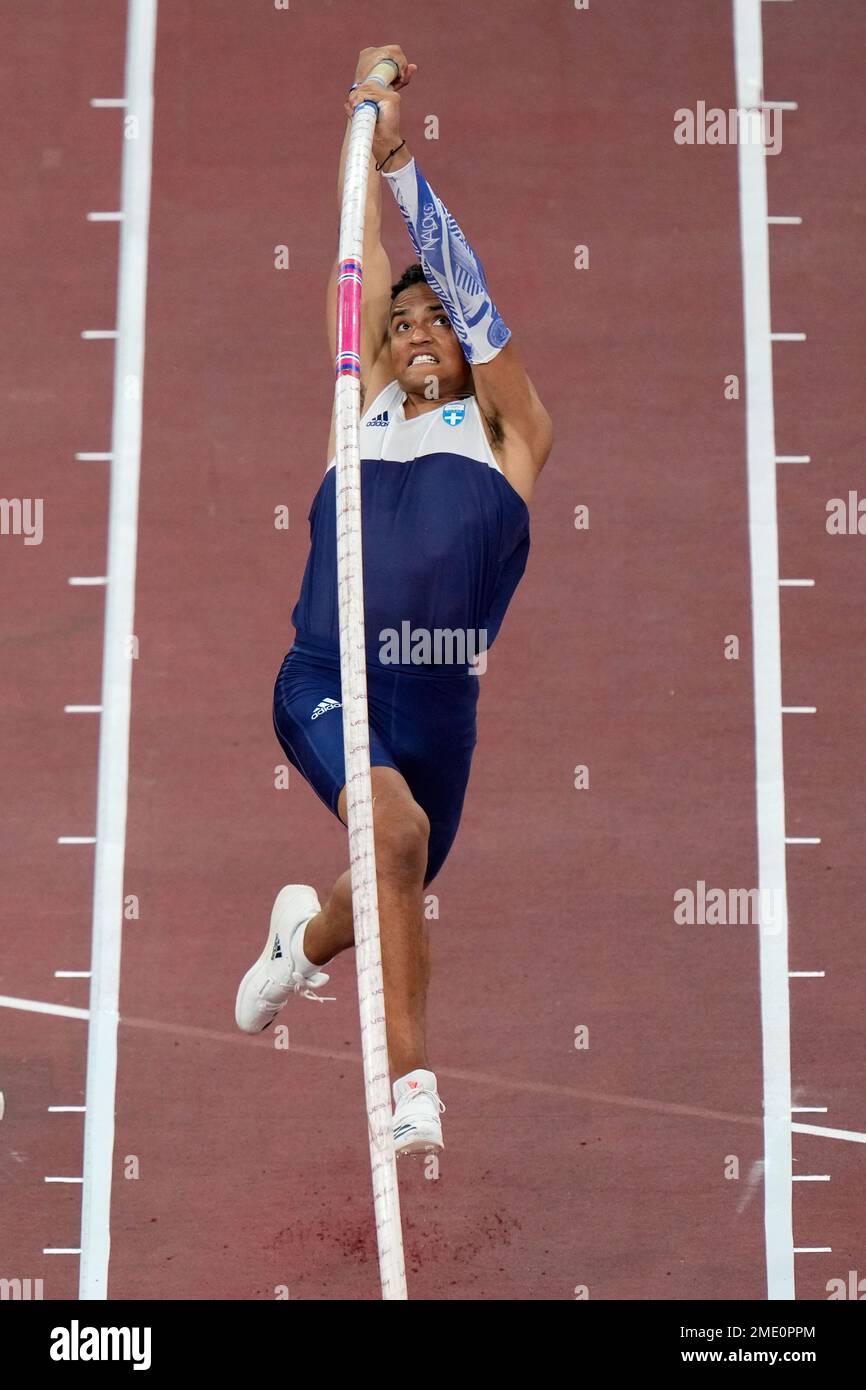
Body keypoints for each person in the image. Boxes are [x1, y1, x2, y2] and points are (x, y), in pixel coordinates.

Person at [235, 45, 553, 1156]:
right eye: (400, 324)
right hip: (326, 680)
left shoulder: (509, 437)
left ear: (469, 356)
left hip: (437, 721)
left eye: (435, 326)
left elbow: (469, 296)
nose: (416, 329)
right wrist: (370, 118)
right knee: (396, 833)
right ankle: (411, 1084)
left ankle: (295, 944)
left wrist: (409, 161)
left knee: (389, 875)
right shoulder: (361, 407)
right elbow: (356, 252)